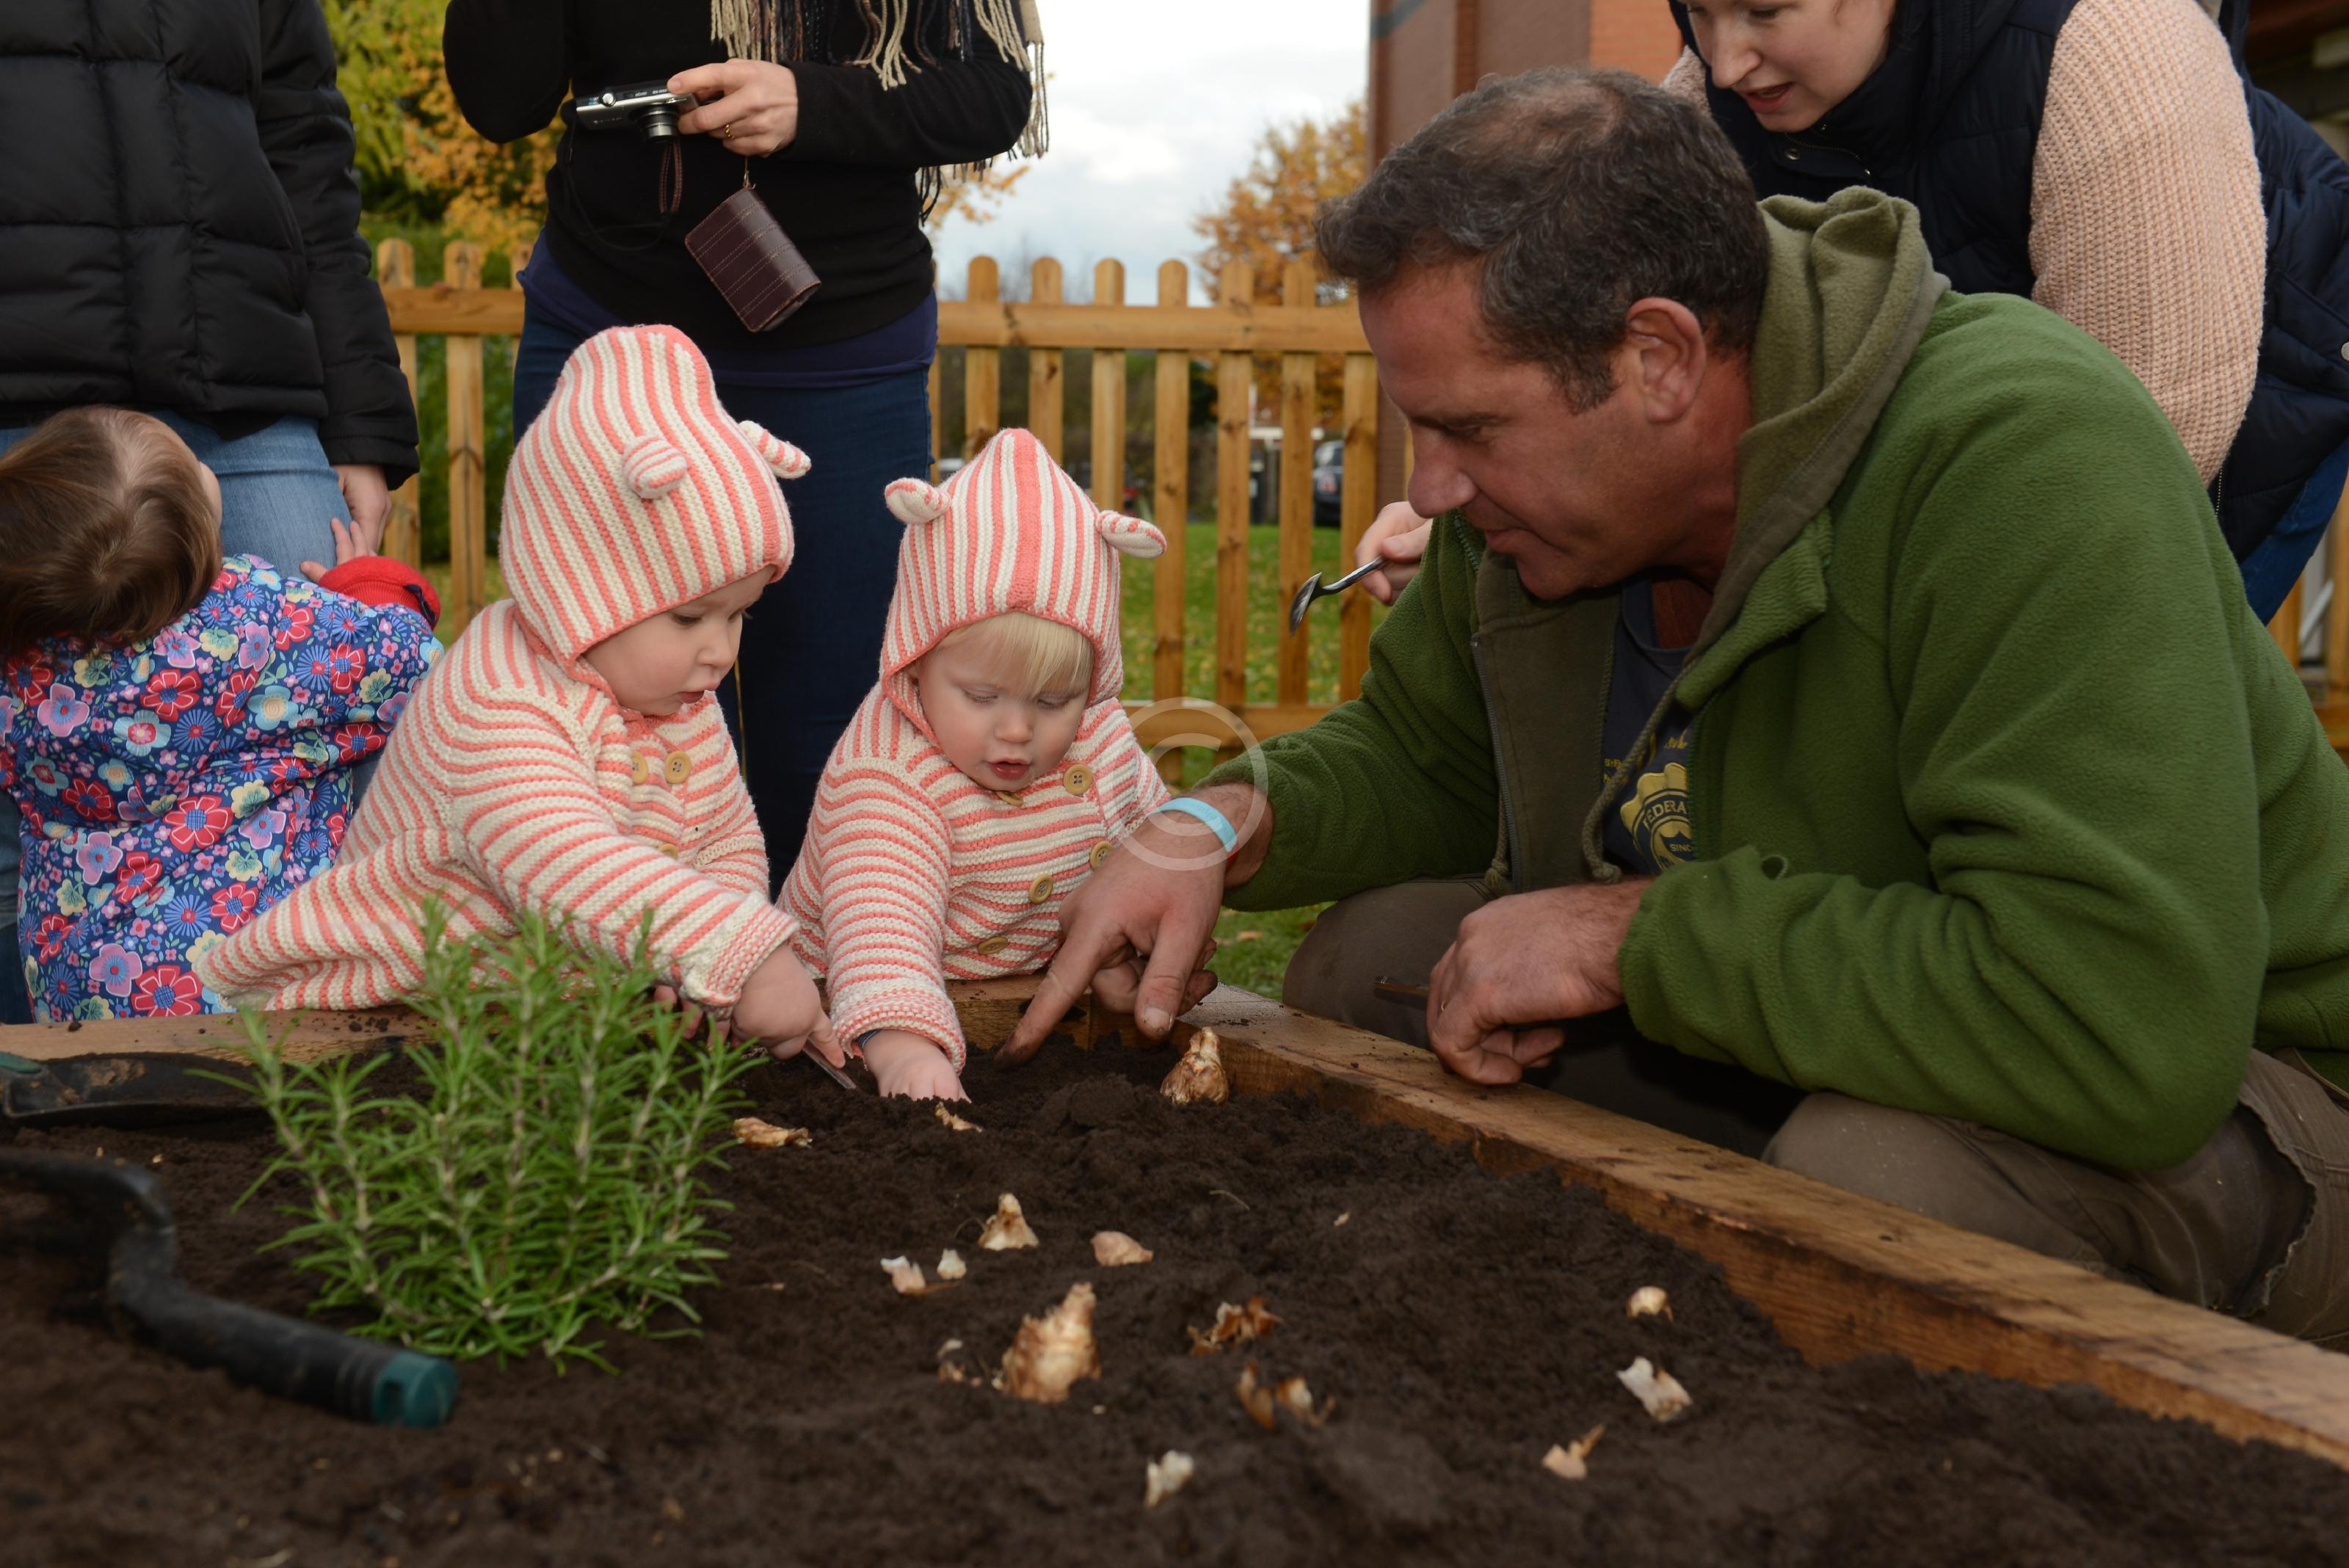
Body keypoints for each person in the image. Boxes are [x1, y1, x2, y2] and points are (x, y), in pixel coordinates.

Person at [1006, 69, 2349, 1340]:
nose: (1433, 490)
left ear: (1657, 358)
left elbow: (2122, 1021)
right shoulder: (1546, 513)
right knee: (1381, 959)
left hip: (2254, 1084)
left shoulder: (2026, 461)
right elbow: (1425, 756)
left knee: (1876, 1182)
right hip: (1850, 1020)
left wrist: (1626, 941)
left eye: (1470, 430)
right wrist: (1217, 819)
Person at [1356, 0, 2349, 625]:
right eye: (1699, 12)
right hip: (1959, 432)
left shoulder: (2114, 43)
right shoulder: (1709, 96)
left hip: (2229, 409)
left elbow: (2142, 447)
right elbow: (1617, 378)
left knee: (2111, 694)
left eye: (1764, 10)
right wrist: (1475, 515)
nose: (1729, 58)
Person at [443, 0, 1043, 879]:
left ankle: (819, 993)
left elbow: (992, 96)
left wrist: (814, 102)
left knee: (829, 733)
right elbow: (500, 103)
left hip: (841, 352)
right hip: (609, 337)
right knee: (602, 723)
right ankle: (623, 998)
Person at [201, 327, 838, 1062]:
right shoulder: (496, 698)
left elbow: (721, 836)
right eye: (691, 617)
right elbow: (560, 857)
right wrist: (740, 953)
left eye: (739, 615)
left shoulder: (675, 697)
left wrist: (703, 957)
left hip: (534, 1010)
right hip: (376, 1023)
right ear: (583, 587)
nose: (721, 651)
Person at [0, 0, 420, 1023]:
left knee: (376, 735)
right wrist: (382, 596)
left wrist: (362, 424)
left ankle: (322, 1026)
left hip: (242, 384)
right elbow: (403, 640)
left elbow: (309, 163)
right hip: (18, 397)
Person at [780, 428, 1183, 1100]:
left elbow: (1152, 846)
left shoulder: (1099, 735)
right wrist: (909, 1054)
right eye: (981, 696)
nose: (1018, 730)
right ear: (918, 660)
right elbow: (884, 939)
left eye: (1055, 700)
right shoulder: (888, 776)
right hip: (848, 1027)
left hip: (1012, 1001)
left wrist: (1127, 944)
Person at [0, 410, 439, 1023]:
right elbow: (414, 666)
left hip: (85, 990)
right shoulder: (256, 625)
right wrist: (370, 585)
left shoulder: (17, 673)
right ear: (201, 547)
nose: (209, 469)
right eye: (194, 468)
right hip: (246, 975)